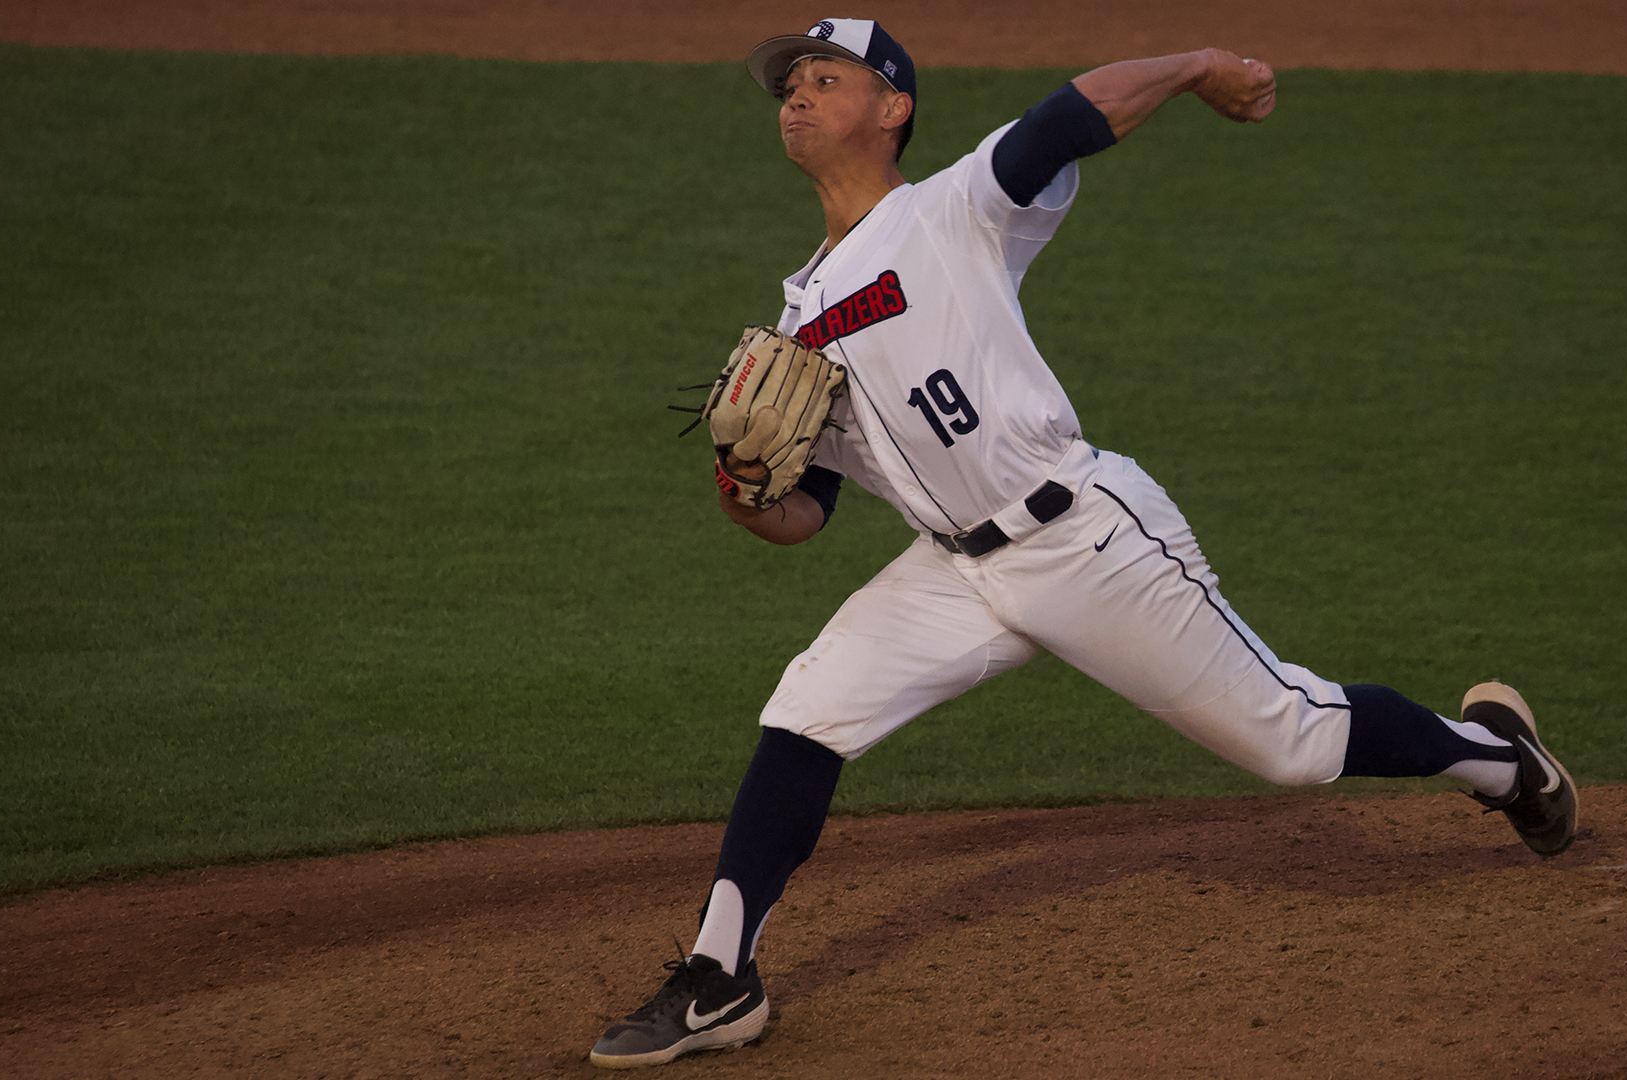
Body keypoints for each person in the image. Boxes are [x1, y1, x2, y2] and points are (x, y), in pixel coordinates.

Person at [589, 18, 1577, 1070]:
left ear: (893, 111)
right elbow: (808, 515)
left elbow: (1071, 115)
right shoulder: (799, 320)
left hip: (1079, 536)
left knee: (1290, 741)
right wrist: (745, 499)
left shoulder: (953, 211)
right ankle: (719, 977)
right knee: (807, 710)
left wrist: (1197, 67)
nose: (795, 94)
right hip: (954, 570)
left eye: (825, 78)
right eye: (787, 83)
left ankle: (1500, 761)